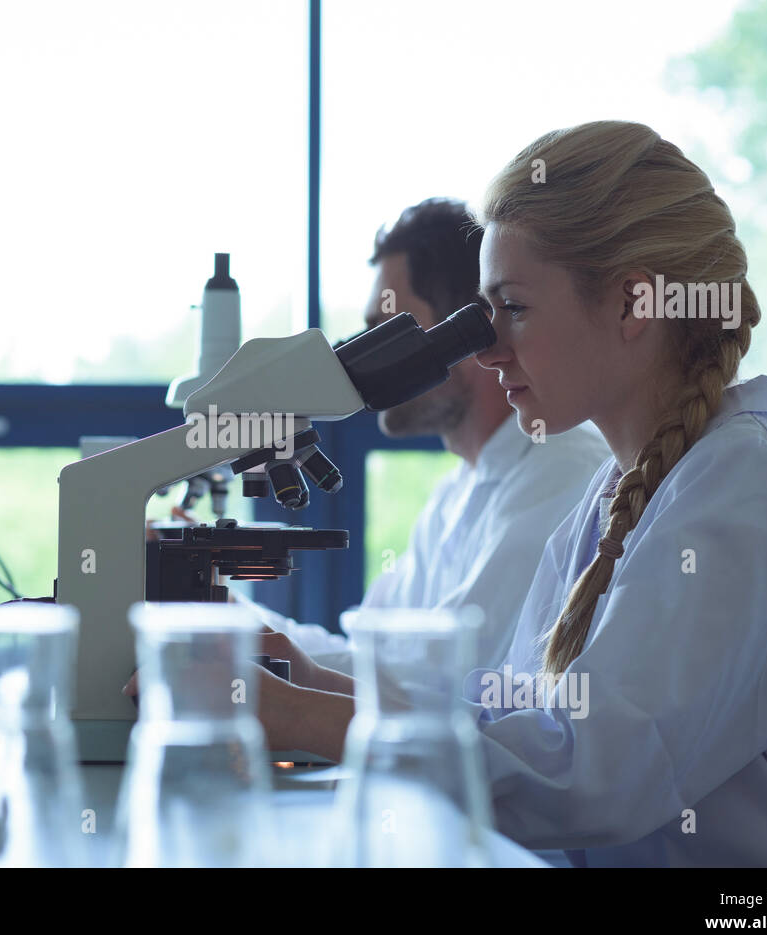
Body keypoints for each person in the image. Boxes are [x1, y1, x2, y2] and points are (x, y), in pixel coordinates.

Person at [254, 120, 767, 866]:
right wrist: (314, 681)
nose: (488, 350)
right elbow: (510, 713)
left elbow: (592, 772)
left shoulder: (747, 484)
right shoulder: (618, 490)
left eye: (513, 308)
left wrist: (304, 717)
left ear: (632, 306)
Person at [237, 198, 609, 671]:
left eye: (383, 330)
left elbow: (442, 683)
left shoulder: (562, 472)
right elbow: (366, 663)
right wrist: (219, 611)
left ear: (469, 330)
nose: (362, 356)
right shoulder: (455, 495)